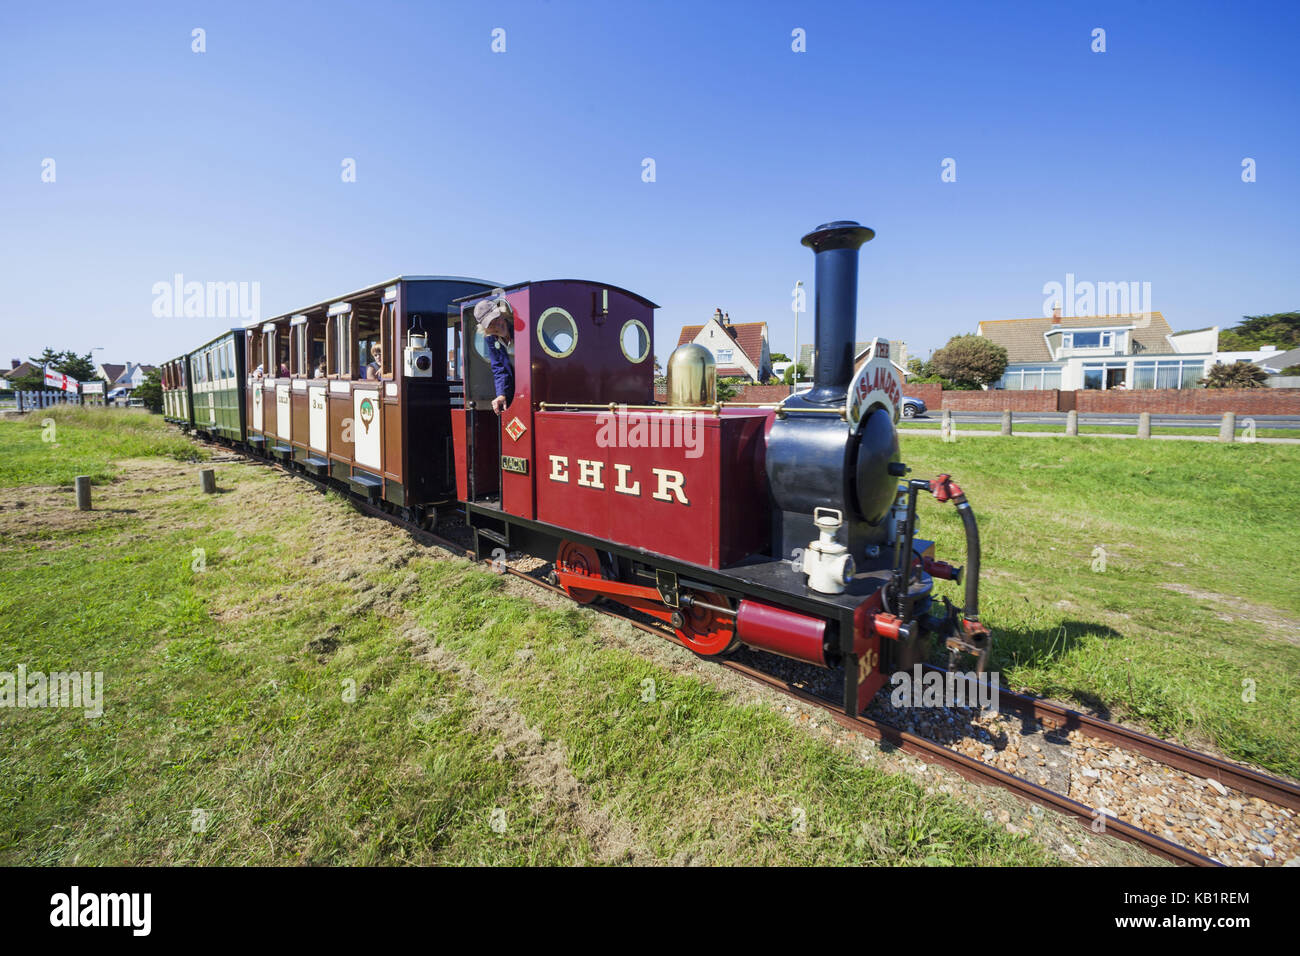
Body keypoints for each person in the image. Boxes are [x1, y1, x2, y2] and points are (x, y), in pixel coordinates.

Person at [474, 294, 514, 414]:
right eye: (490, 324)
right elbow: (499, 369)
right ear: (485, 330)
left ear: (502, 314)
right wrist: (502, 394)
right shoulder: (491, 339)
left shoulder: (520, 329)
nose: (496, 325)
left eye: (496, 318)